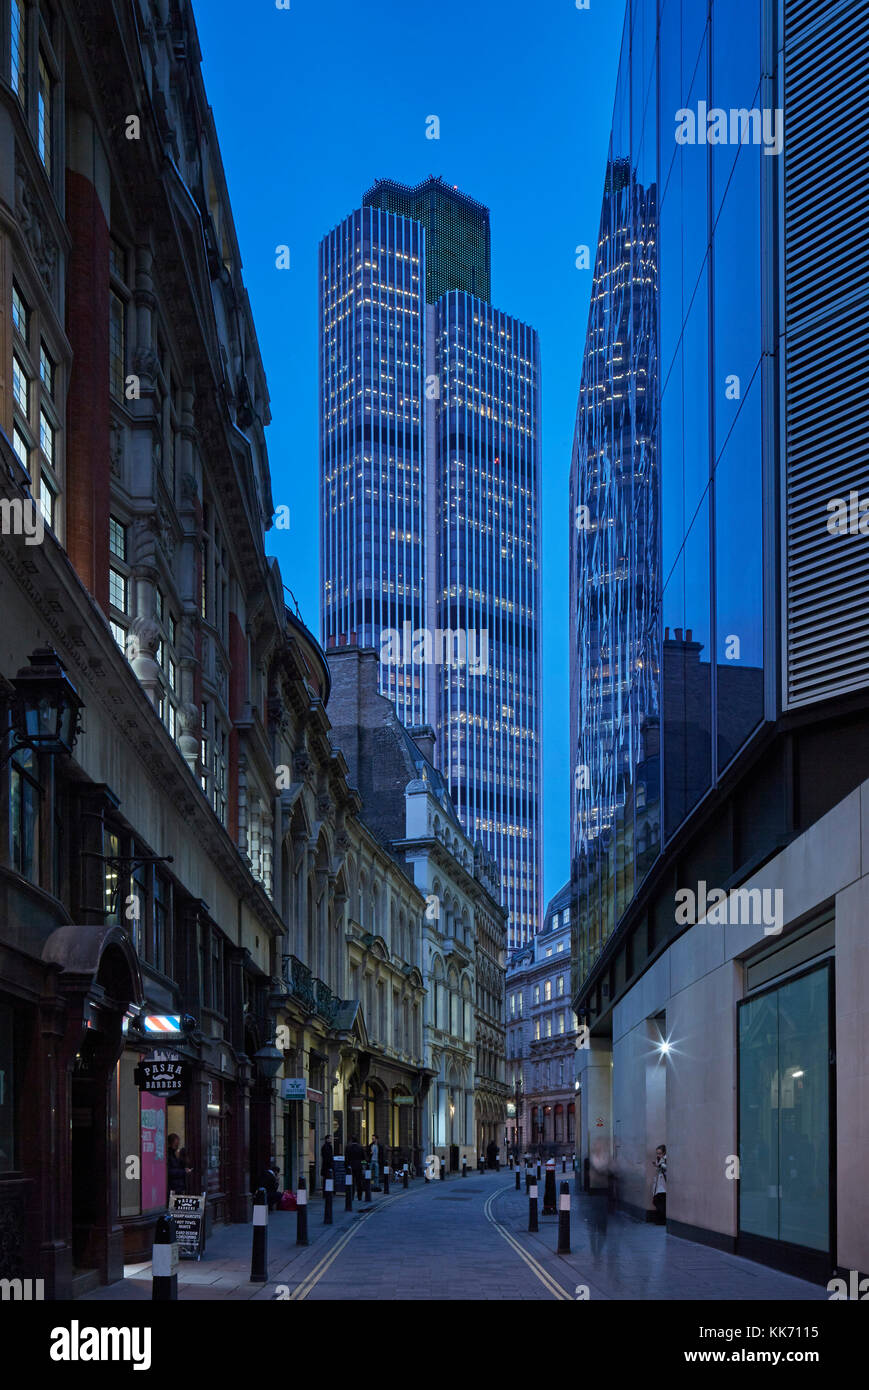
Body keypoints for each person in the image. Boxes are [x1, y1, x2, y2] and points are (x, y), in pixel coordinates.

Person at [167, 1133, 190, 1199]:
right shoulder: (169, 1155)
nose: (177, 1146)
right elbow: (169, 1171)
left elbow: (183, 1164)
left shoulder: (176, 1154)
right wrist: (183, 1171)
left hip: (179, 1186)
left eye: (178, 1144)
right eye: (176, 1144)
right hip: (173, 1186)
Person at [652, 1144, 667, 1224]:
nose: (658, 1155)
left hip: (663, 1187)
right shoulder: (659, 1159)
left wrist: (660, 1165)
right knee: (656, 1202)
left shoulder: (665, 1159)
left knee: (661, 1203)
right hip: (659, 1185)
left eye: (660, 1153)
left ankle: (662, 1220)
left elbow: (666, 1168)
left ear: (664, 1153)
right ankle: (660, 1220)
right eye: (657, 1153)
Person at [346, 1134, 365, 1199]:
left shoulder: (348, 1147)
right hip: (359, 1166)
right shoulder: (360, 1147)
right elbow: (363, 1158)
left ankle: (352, 1195)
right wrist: (363, 1165)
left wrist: (346, 1166)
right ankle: (359, 1196)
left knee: (351, 1182)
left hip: (350, 1167)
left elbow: (346, 1158)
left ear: (351, 1140)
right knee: (359, 1181)